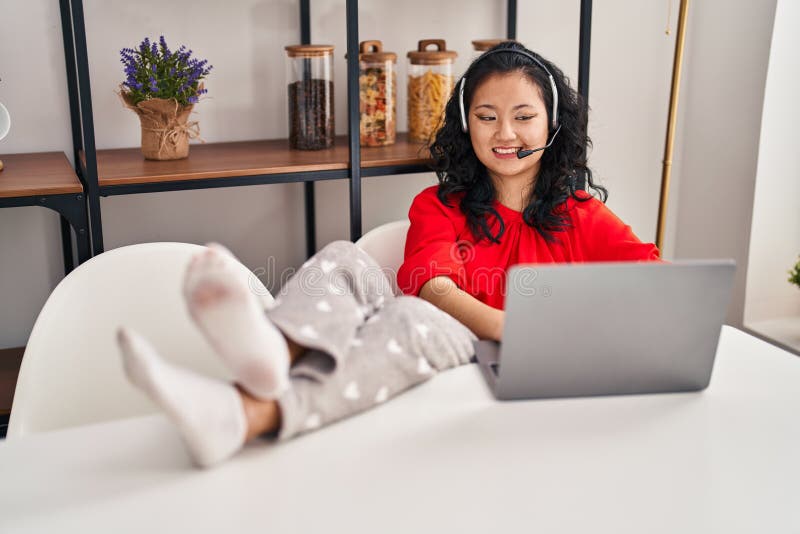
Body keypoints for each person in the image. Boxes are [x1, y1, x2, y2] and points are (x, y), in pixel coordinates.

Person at [117, 41, 658, 468]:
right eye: (487, 116)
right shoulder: (438, 204)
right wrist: (507, 323)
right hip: (451, 326)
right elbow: (434, 287)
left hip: (496, 365)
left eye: (523, 116)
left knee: (409, 318)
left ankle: (246, 411)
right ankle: (276, 350)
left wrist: (557, 327)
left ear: (552, 125)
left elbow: (653, 285)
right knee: (346, 259)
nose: (505, 133)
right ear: (467, 125)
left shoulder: (582, 214)